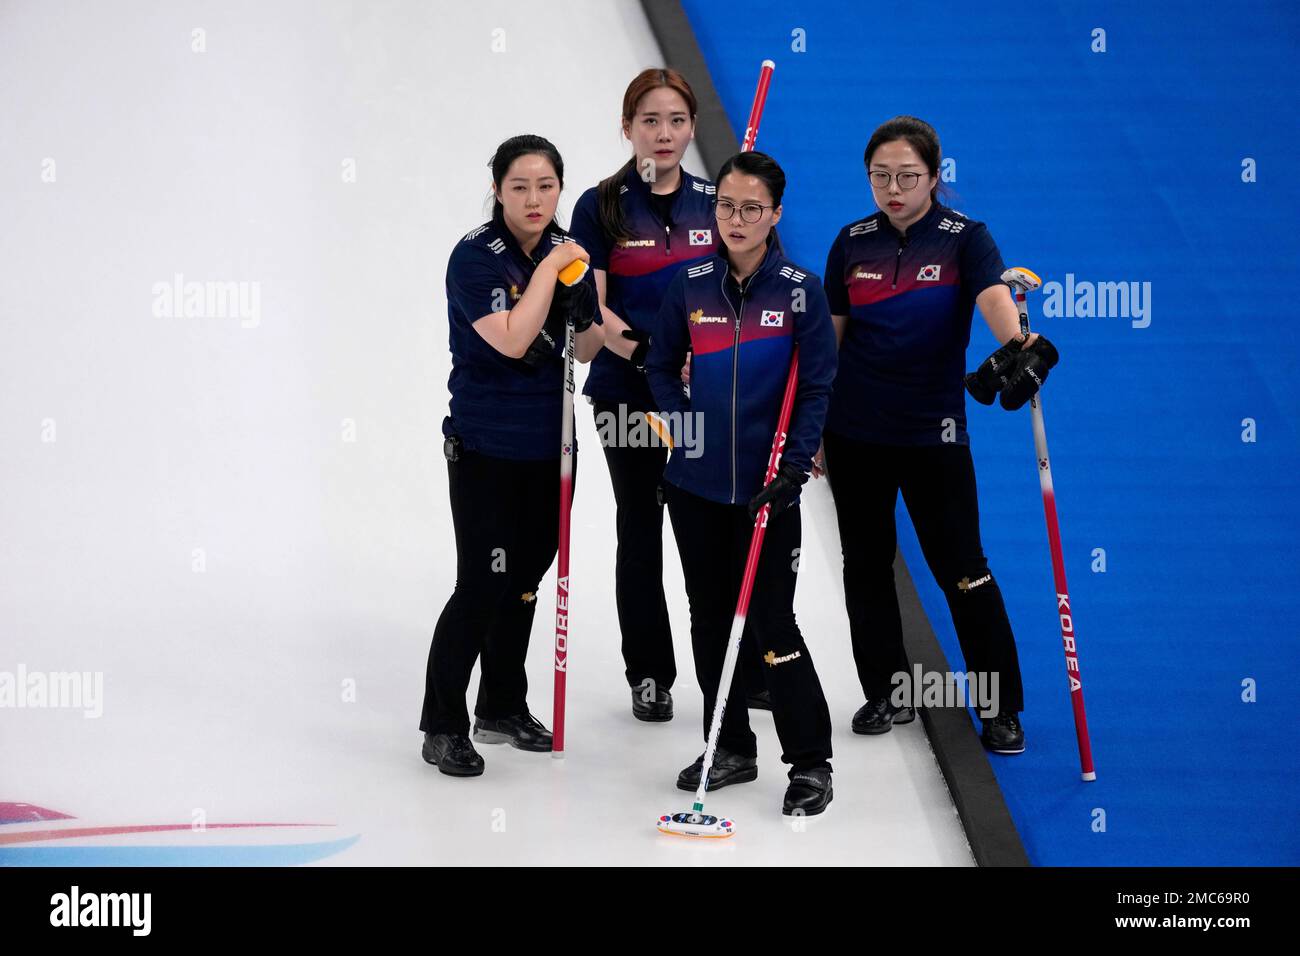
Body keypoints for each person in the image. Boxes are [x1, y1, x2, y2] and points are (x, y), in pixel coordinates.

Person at [817, 115, 1058, 754]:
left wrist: (1020, 347)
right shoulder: (851, 243)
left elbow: (994, 300)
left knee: (963, 568)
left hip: (933, 432)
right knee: (865, 565)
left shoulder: (964, 239)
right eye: (880, 176)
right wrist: (810, 425)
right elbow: (829, 345)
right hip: (854, 431)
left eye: (908, 176)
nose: (893, 188)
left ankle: (1000, 708)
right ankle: (887, 691)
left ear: (935, 176)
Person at [569, 68, 770, 721]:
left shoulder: (718, 199)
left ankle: (739, 671)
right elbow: (591, 311)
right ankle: (650, 674)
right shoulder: (598, 206)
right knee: (641, 526)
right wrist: (657, 355)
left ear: (692, 127)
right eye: (650, 120)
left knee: (717, 528)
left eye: (677, 120)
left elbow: (753, 289)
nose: (664, 133)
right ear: (627, 127)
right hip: (627, 395)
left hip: (705, 400)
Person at [647, 150, 839, 815]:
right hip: (695, 487)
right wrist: (680, 426)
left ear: (775, 214)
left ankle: (810, 760)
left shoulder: (799, 291)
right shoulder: (690, 284)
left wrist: (795, 466)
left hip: (767, 490)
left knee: (771, 618)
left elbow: (816, 385)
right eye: (725, 204)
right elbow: (659, 367)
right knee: (707, 617)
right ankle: (728, 745)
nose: (735, 218)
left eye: (751, 208)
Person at [420, 134, 605, 777]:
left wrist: (589, 305)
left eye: (546, 187)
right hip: (485, 446)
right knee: (481, 582)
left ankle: (501, 705)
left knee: (525, 579)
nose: (534, 199)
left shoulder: (568, 254)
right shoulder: (475, 259)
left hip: (551, 444)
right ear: (497, 189)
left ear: (560, 189)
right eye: (519, 186)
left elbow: (583, 352)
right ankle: (442, 723)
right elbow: (510, 340)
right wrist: (556, 273)